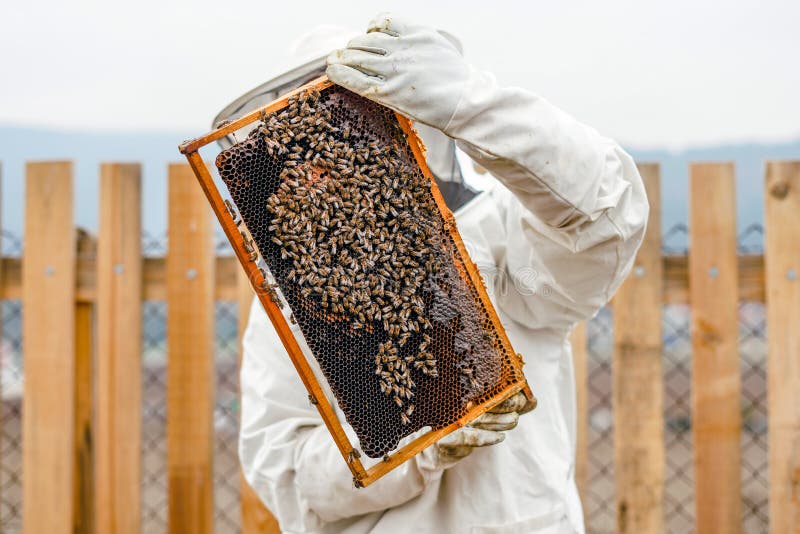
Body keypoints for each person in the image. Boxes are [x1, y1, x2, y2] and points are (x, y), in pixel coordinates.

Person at [231, 13, 648, 534]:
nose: (333, 156)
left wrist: (471, 103)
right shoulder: (292, 294)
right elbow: (288, 473)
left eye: (360, 120)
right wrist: (417, 445)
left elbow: (608, 215)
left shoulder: (499, 237)